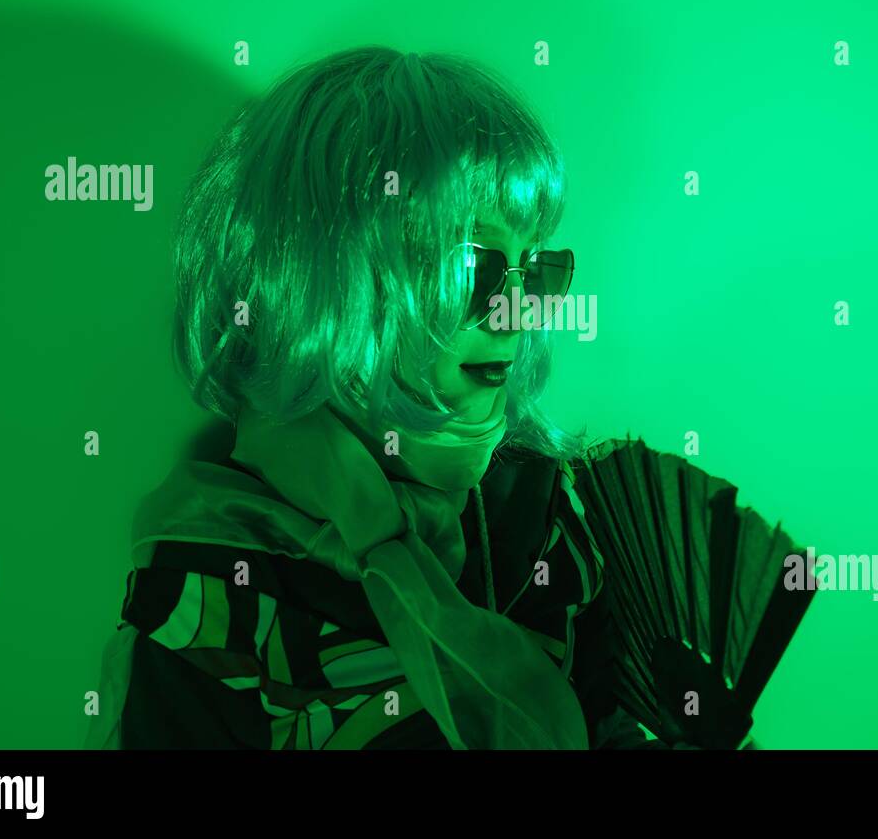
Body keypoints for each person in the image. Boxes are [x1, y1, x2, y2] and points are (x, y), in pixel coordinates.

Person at [86, 46, 670, 749]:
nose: (517, 312)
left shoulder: (551, 517)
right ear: (332, 276)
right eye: (473, 265)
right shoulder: (207, 588)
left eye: (535, 267)